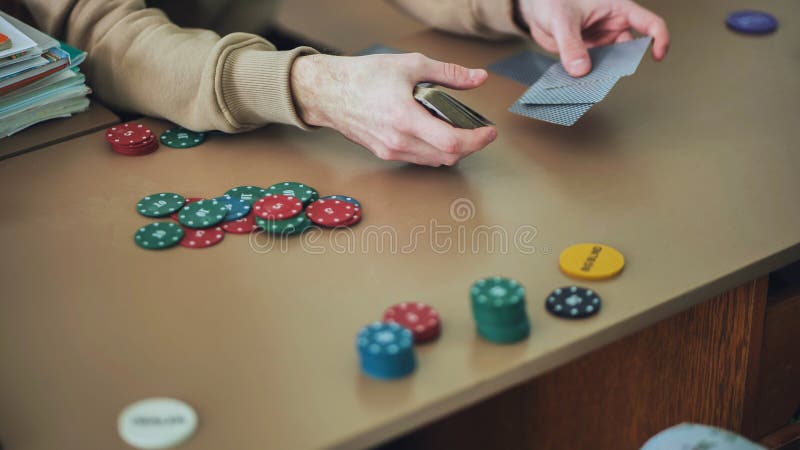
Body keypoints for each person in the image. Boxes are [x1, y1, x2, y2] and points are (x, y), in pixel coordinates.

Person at [18, 0, 668, 166]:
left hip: (247, 53)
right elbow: (101, 34)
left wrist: (521, 5)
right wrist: (313, 85)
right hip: (73, 122)